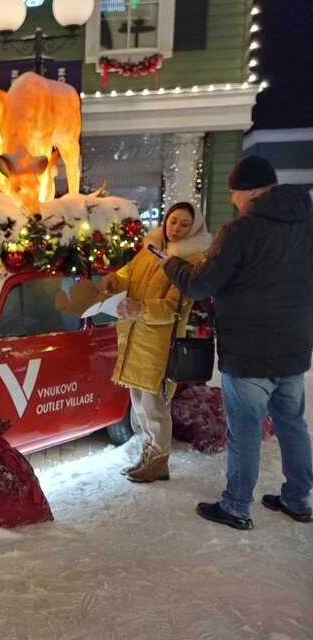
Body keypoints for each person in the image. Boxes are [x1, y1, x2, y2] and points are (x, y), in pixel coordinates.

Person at [160, 156, 313, 531]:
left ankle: (236, 506)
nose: (233, 201)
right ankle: (298, 497)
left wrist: (171, 264)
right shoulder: (305, 223)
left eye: (234, 193)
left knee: (244, 430)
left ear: (253, 190)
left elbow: (201, 283)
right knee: (292, 424)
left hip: (248, 351)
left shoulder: (241, 230)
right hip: (293, 347)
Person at [99, 201, 211, 483]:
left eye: (185, 224)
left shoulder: (189, 263)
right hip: (136, 340)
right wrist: (115, 280)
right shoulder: (151, 249)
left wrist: (141, 309)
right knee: (139, 405)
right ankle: (148, 455)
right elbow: (129, 273)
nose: (176, 229)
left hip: (159, 346)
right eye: (173, 221)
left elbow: (175, 309)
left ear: (195, 228)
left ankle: (159, 460)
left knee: (155, 406)